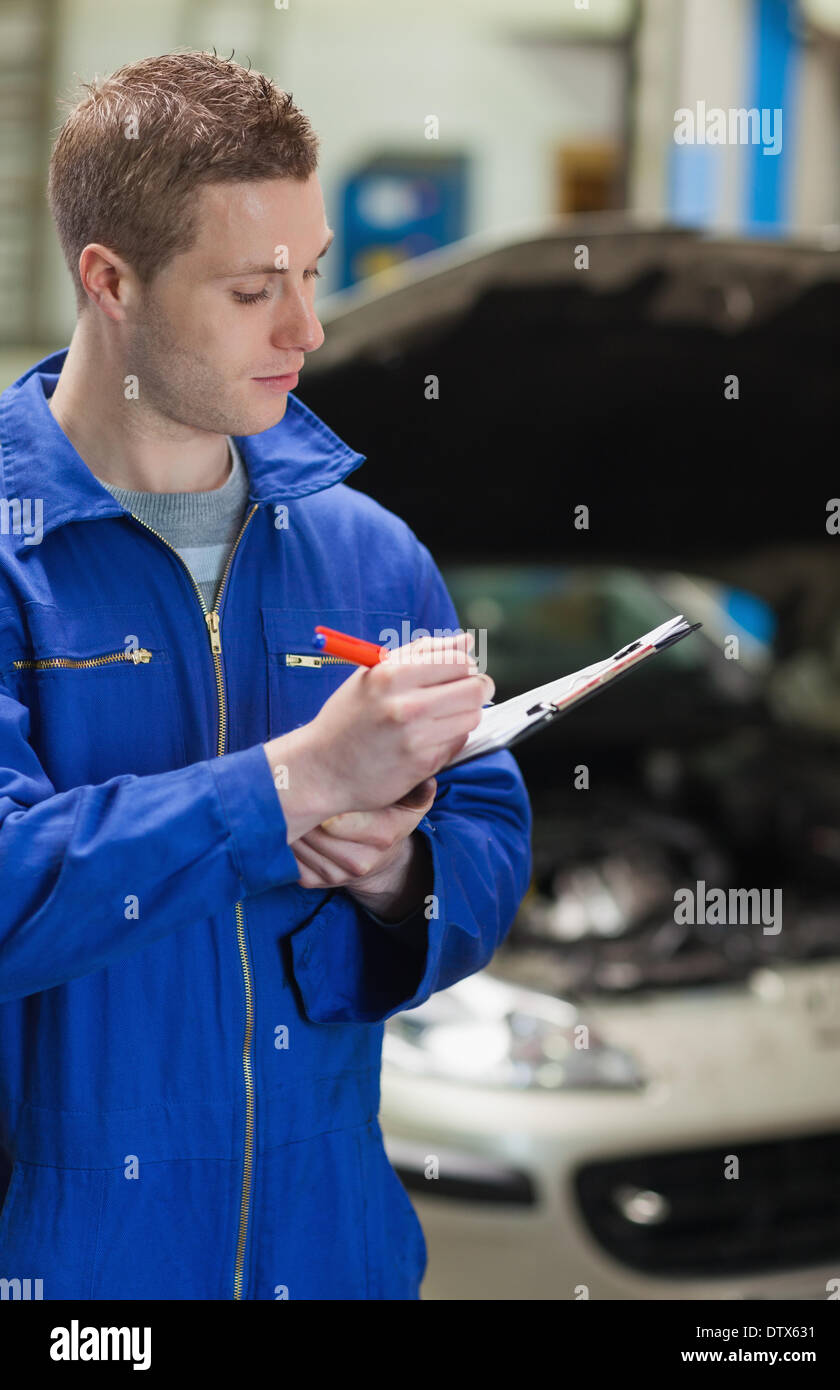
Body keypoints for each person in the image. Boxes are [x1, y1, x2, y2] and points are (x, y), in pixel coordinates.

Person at [0, 50, 532, 1300]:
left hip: (330, 1252)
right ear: (109, 281)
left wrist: (404, 875)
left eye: (313, 273)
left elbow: (489, 833)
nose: (309, 329)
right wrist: (295, 783)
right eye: (253, 289)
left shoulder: (369, 552)